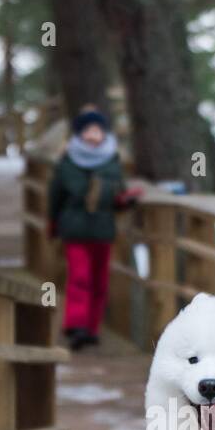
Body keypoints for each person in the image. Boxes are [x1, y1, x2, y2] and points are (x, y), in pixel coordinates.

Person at [47, 107, 140, 350]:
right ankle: (75, 326)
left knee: (99, 280)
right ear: (79, 134)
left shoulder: (112, 160)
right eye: (88, 130)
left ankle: (92, 328)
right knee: (80, 278)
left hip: (102, 228)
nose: (93, 135)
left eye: (97, 130)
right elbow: (55, 195)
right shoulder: (67, 161)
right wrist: (53, 222)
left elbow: (117, 193)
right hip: (74, 227)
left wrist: (124, 200)